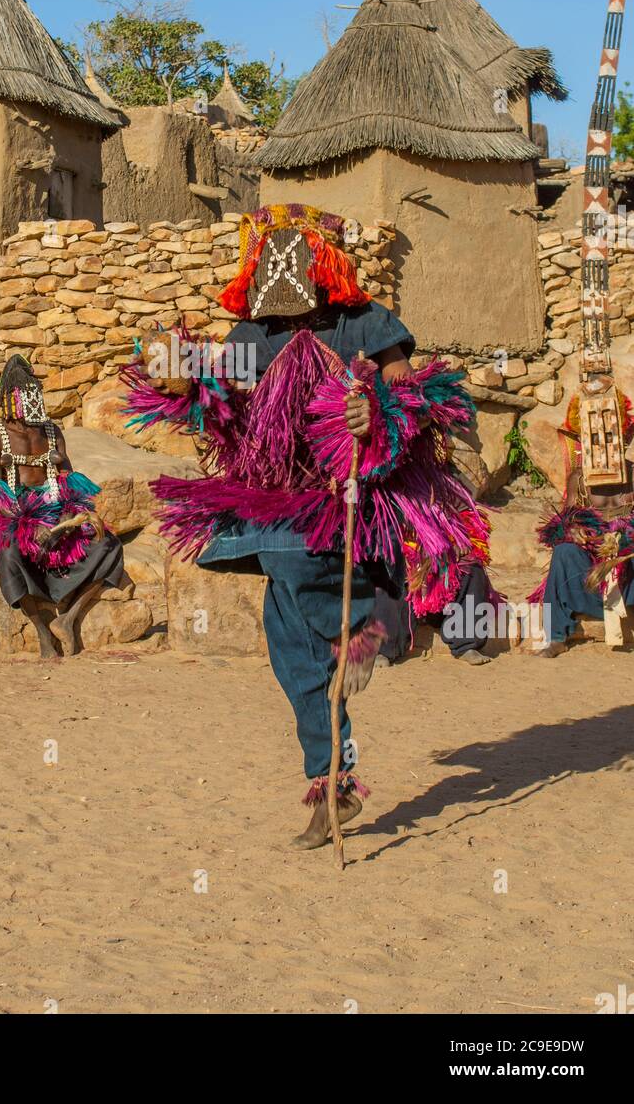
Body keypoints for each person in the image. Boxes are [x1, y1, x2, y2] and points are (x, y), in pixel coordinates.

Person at [123, 205, 493, 850]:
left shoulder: (365, 325)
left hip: (354, 495)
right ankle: (331, 782)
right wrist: (182, 384)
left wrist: (375, 415)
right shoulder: (249, 339)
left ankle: (379, 622)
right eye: (272, 255)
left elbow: (424, 402)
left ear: (324, 262)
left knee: (303, 576)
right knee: (292, 655)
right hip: (278, 500)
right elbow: (225, 413)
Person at [0, 354, 127, 658]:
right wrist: (27, 525)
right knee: (7, 553)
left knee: (107, 544)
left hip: (57, 511)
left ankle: (67, 620)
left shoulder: (52, 433)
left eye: (33, 396)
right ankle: (42, 630)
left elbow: (68, 483)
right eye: (23, 397)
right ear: (10, 399)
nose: (30, 402)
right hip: (15, 514)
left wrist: (65, 521)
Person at [530, 379, 634, 653]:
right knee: (564, 552)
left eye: (610, 436)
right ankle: (555, 636)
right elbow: (565, 522)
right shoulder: (580, 477)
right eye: (596, 437)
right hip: (592, 563)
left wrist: (624, 541)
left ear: (623, 437)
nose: (603, 443)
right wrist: (577, 532)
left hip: (627, 562)